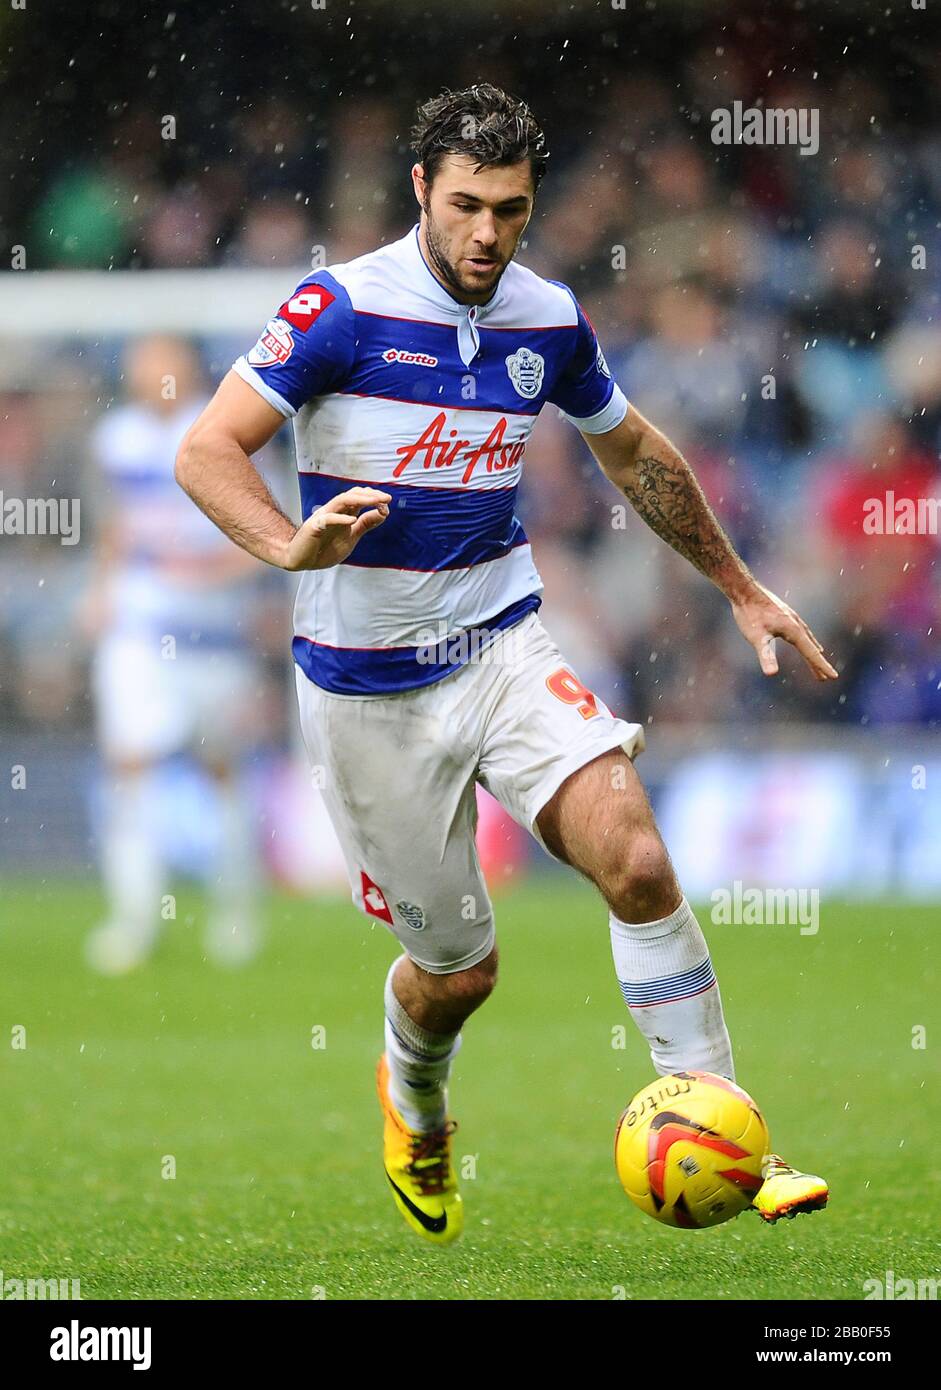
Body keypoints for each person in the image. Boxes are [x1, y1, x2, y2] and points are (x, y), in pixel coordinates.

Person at [175, 85, 836, 1242]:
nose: (487, 233)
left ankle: (732, 1124)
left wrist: (740, 589)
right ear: (420, 191)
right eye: (466, 205)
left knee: (633, 855)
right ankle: (413, 1094)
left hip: (500, 644)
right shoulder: (336, 309)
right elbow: (205, 447)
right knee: (458, 973)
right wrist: (289, 543)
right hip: (366, 691)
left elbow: (630, 450)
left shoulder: (544, 317)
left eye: (511, 210)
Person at [83, 336, 265, 974]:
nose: (149, 373)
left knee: (220, 769)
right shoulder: (118, 437)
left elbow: (260, 530)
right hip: (140, 632)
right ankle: (133, 919)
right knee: (129, 766)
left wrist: (215, 572)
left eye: (161, 361)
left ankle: (235, 911)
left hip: (212, 637)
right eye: (140, 361)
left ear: (184, 368)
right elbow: (118, 522)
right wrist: (101, 592)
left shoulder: (220, 429)